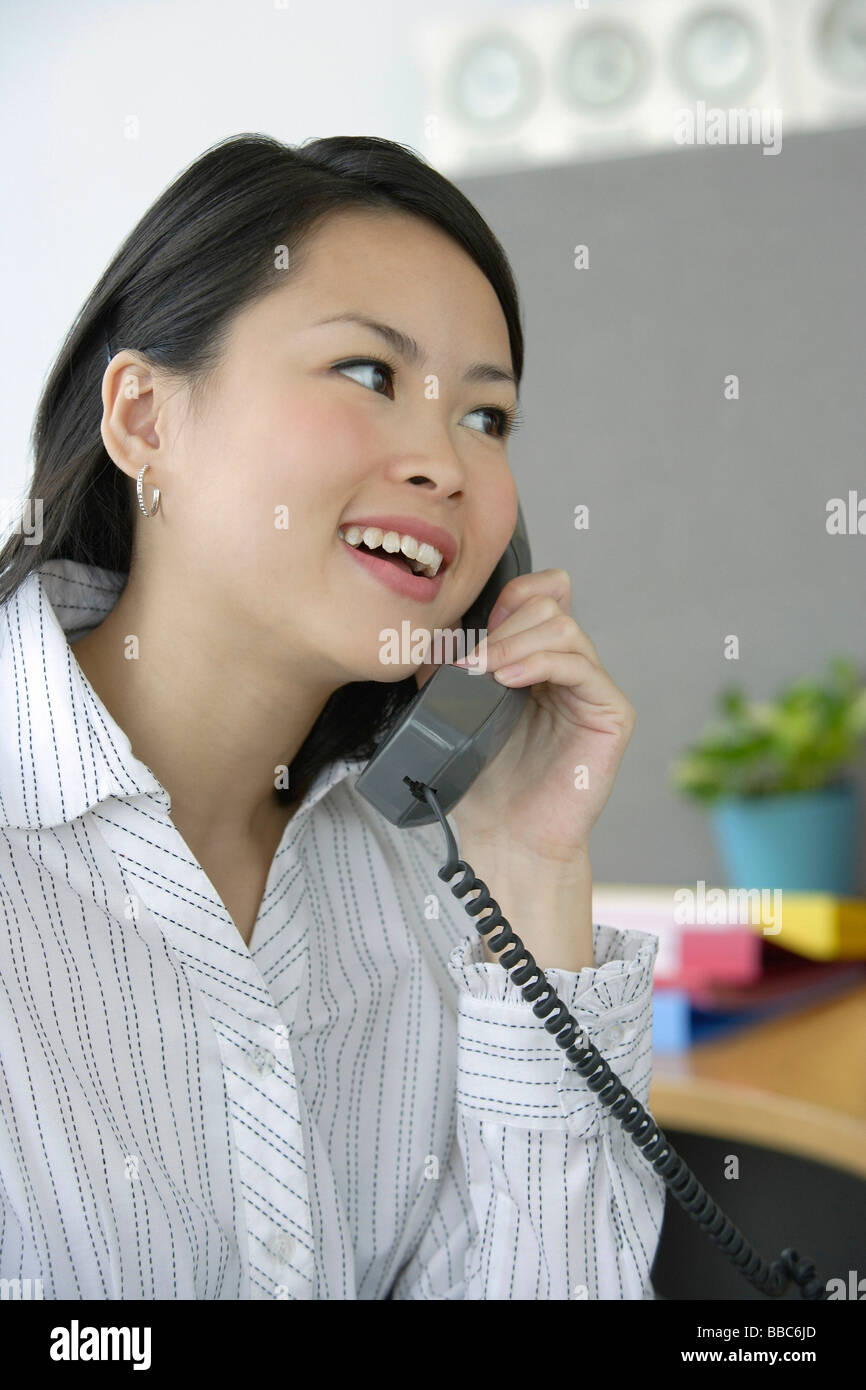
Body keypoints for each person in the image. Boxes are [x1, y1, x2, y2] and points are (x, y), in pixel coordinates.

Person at [0, 133, 664, 1299]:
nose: (447, 464)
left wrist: (530, 867)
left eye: (487, 417)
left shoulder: (424, 872)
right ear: (146, 418)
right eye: (367, 373)